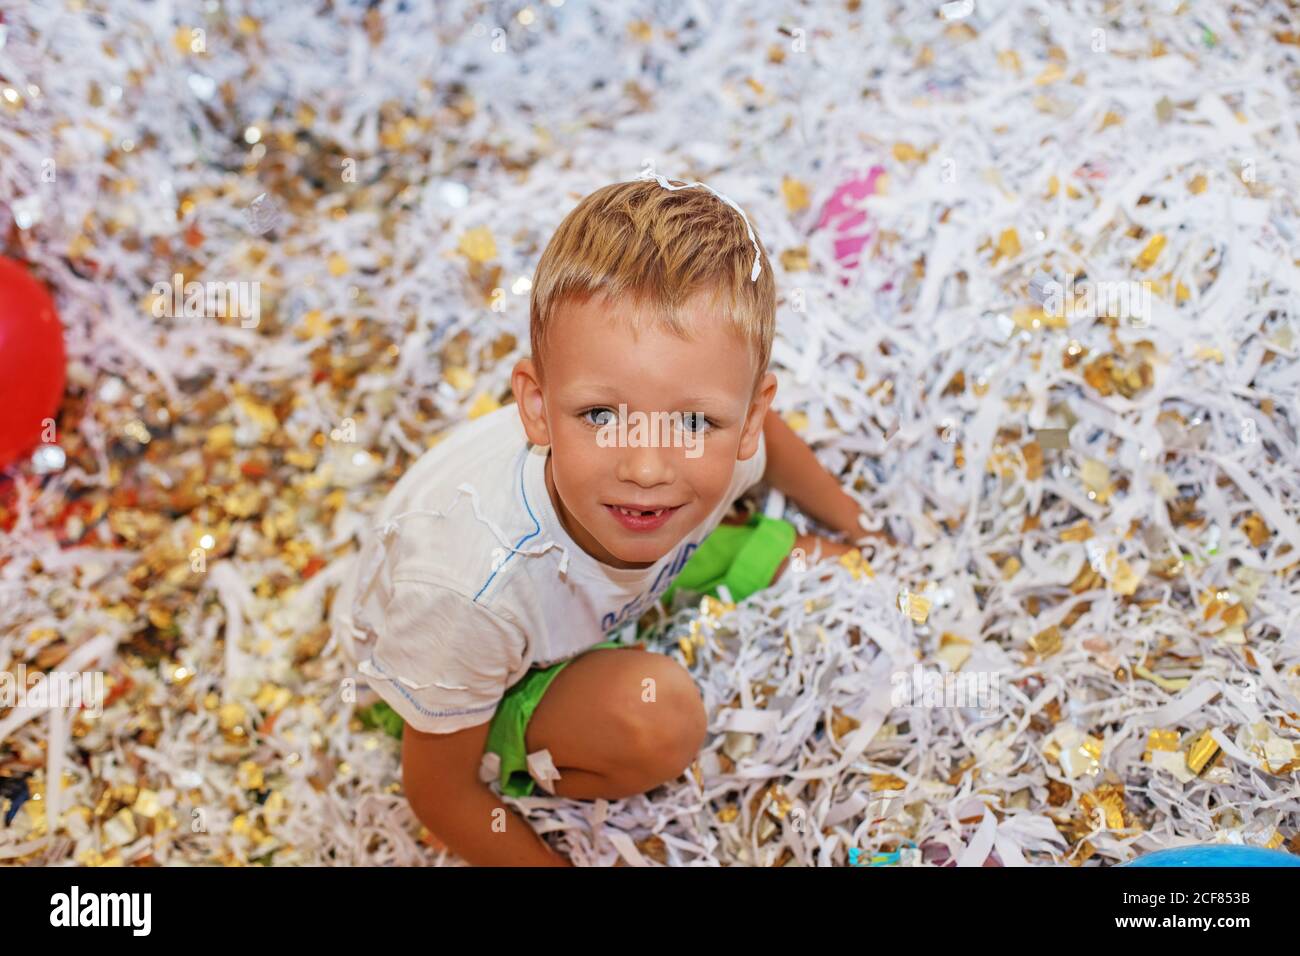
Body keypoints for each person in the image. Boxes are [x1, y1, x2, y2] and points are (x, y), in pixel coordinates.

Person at [332, 175, 885, 866]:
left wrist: (863, 527)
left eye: (694, 420)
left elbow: (779, 453)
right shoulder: (467, 592)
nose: (648, 466)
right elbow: (438, 796)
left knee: (848, 576)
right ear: (537, 406)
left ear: (748, 416)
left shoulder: (700, 453)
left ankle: (703, 561)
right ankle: (540, 718)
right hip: (444, 677)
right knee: (657, 722)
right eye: (600, 415)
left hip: (608, 569)